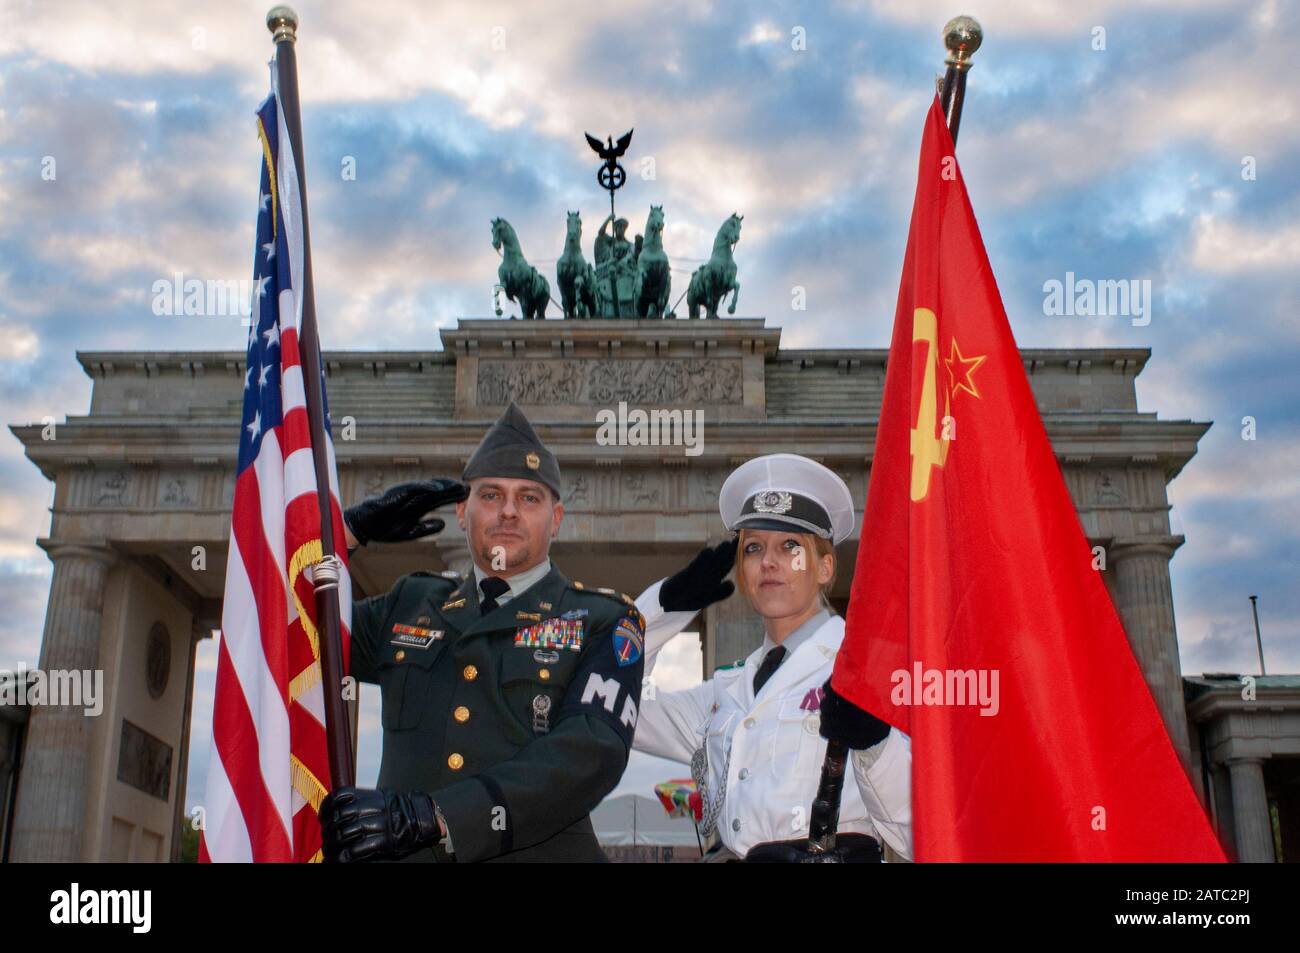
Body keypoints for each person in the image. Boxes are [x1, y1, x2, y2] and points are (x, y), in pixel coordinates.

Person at [318, 402, 648, 862]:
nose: (508, 512)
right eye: (490, 495)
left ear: (555, 518)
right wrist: (342, 535)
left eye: (529, 498)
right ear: (461, 511)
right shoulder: (410, 602)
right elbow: (293, 642)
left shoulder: (603, 619)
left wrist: (435, 816)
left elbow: (590, 754)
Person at [630, 453, 913, 862]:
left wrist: (875, 745)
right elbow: (617, 705)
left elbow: (923, 830)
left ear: (825, 567)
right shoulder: (726, 691)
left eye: (790, 547)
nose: (768, 562)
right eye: (754, 548)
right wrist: (659, 611)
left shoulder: (873, 673)